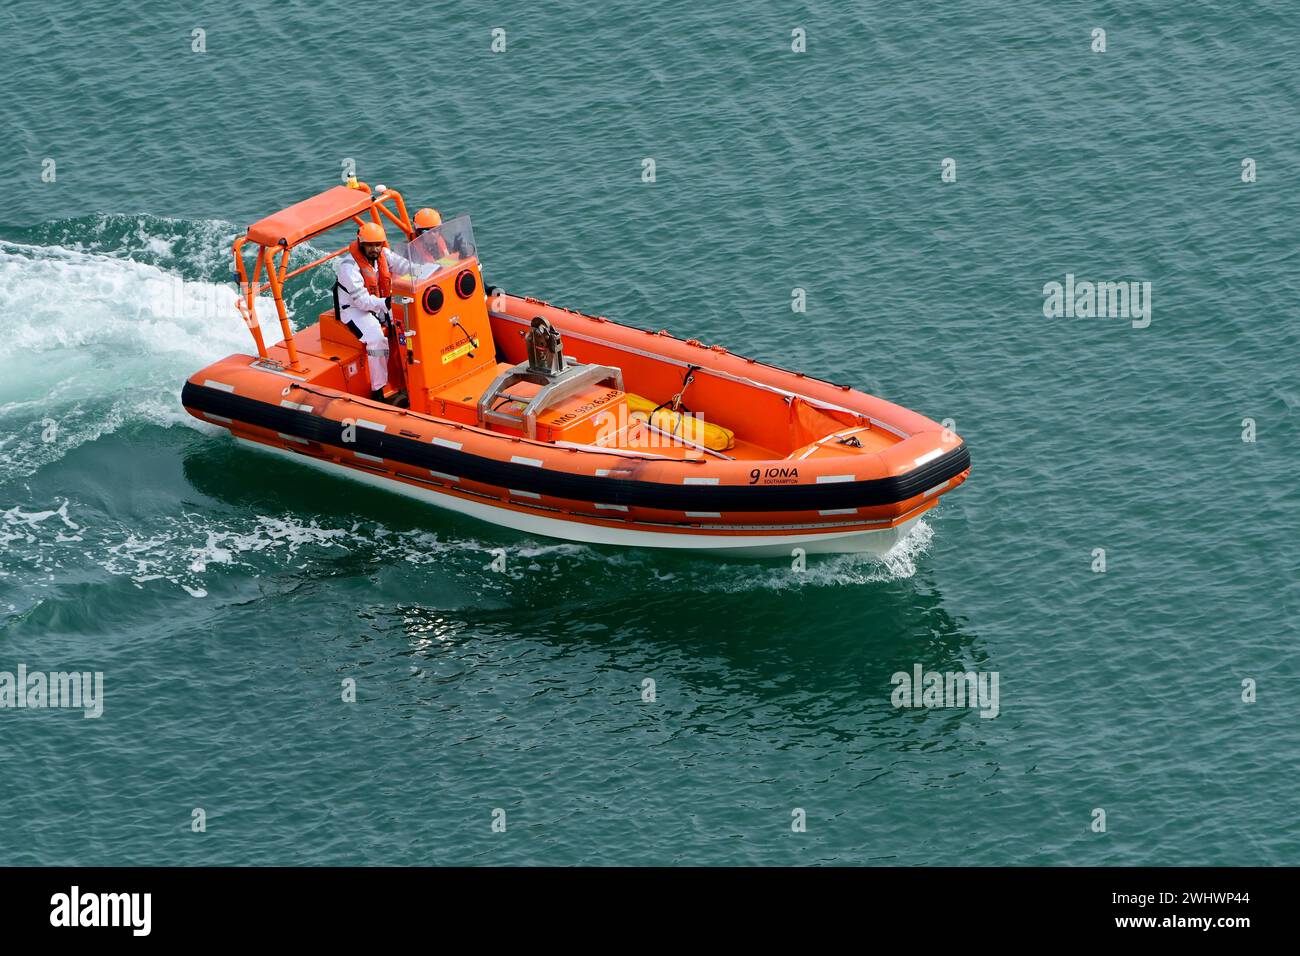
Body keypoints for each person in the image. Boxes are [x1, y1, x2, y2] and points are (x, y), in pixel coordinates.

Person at [333, 220, 415, 402]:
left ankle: (411, 377)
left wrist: (429, 271)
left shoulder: (384, 255)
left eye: (378, 244)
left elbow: (407, 267)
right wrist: (387, 303)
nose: (375, 249)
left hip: (380, 302)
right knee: (376, 340)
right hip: (354, 309)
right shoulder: (348, 267)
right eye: (370, 245)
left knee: (408, 325)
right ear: (361, 243)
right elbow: (362, 302)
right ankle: (378, 390)